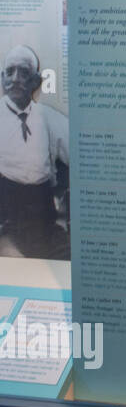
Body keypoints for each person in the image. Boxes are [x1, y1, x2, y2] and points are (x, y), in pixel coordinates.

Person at [0, 44, 69, 259]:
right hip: (7, 218)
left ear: (36, 81)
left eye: (24, 72)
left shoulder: (48, 117)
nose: (16, 78)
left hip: (44, 216)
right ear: (2, 79)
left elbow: (84, 158)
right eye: (10, 72)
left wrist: (65, 212)